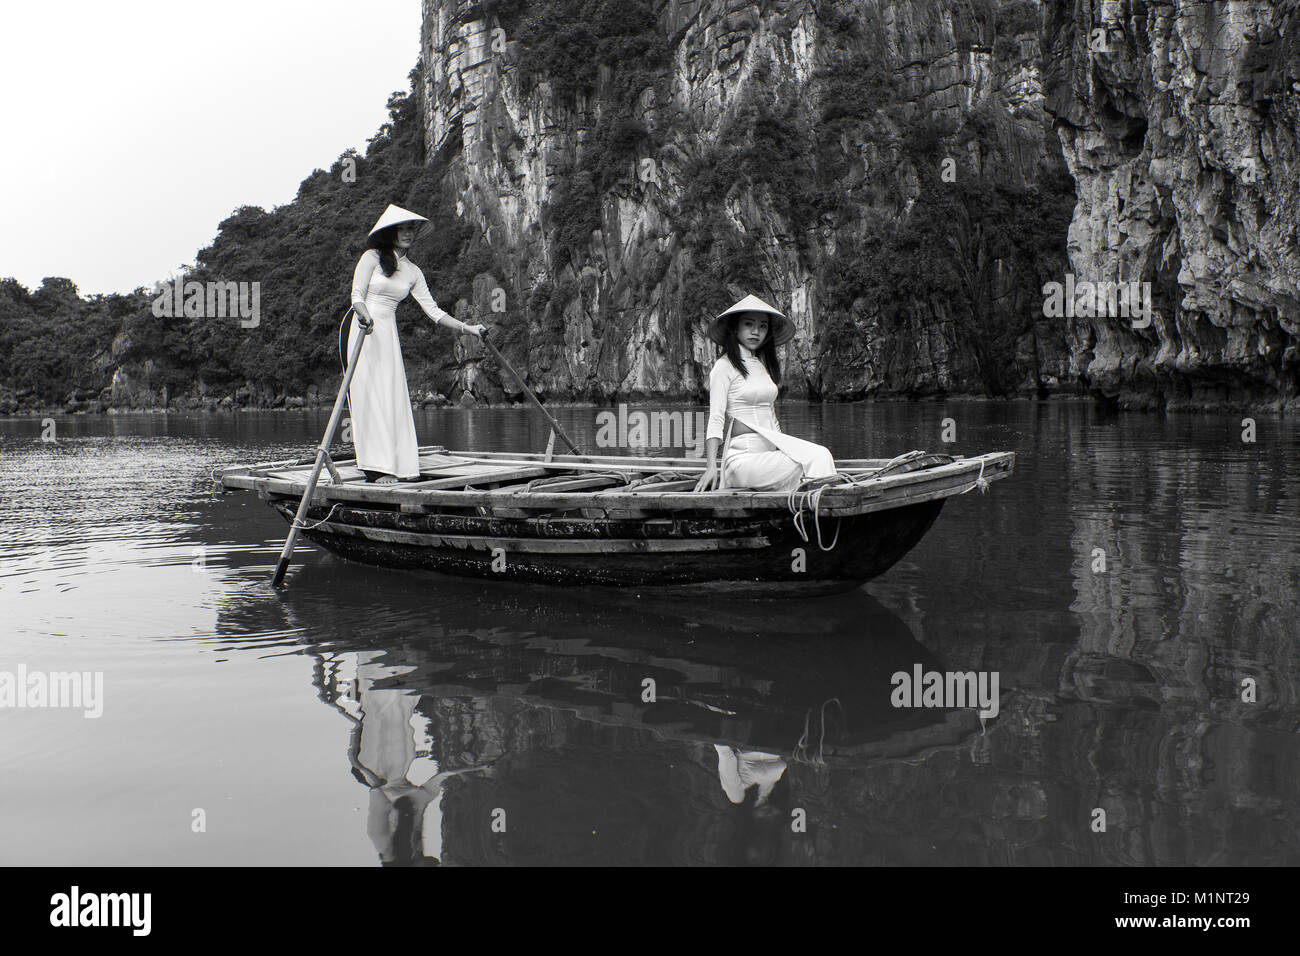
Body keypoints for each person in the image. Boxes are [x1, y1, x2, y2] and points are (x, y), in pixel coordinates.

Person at [347, 204, 485, 484]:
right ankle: (375, 468)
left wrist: (469, 328)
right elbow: (357, 296)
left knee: (392, 395)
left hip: (387, 332)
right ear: (390, 232)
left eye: (411, 228)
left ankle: (400, 464)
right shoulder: (371, 257)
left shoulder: (412, 271)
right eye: (402, 228)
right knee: (368, 395)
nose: (407, 233)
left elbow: (434, 312)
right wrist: (364, 316)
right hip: (364, 329)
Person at [694, 294, 836, 493]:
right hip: (743, 460)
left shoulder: (760, 366)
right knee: (811, 461)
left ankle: (817, 511)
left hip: (770, 454)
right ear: (735, 328)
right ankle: (818, 512)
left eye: (762, 326)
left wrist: (783, 447)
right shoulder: (723, 366)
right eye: (749, 324)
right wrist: (711, 467)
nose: (756, 331)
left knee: (821, 454)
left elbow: (771, 416)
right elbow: (716, 419)